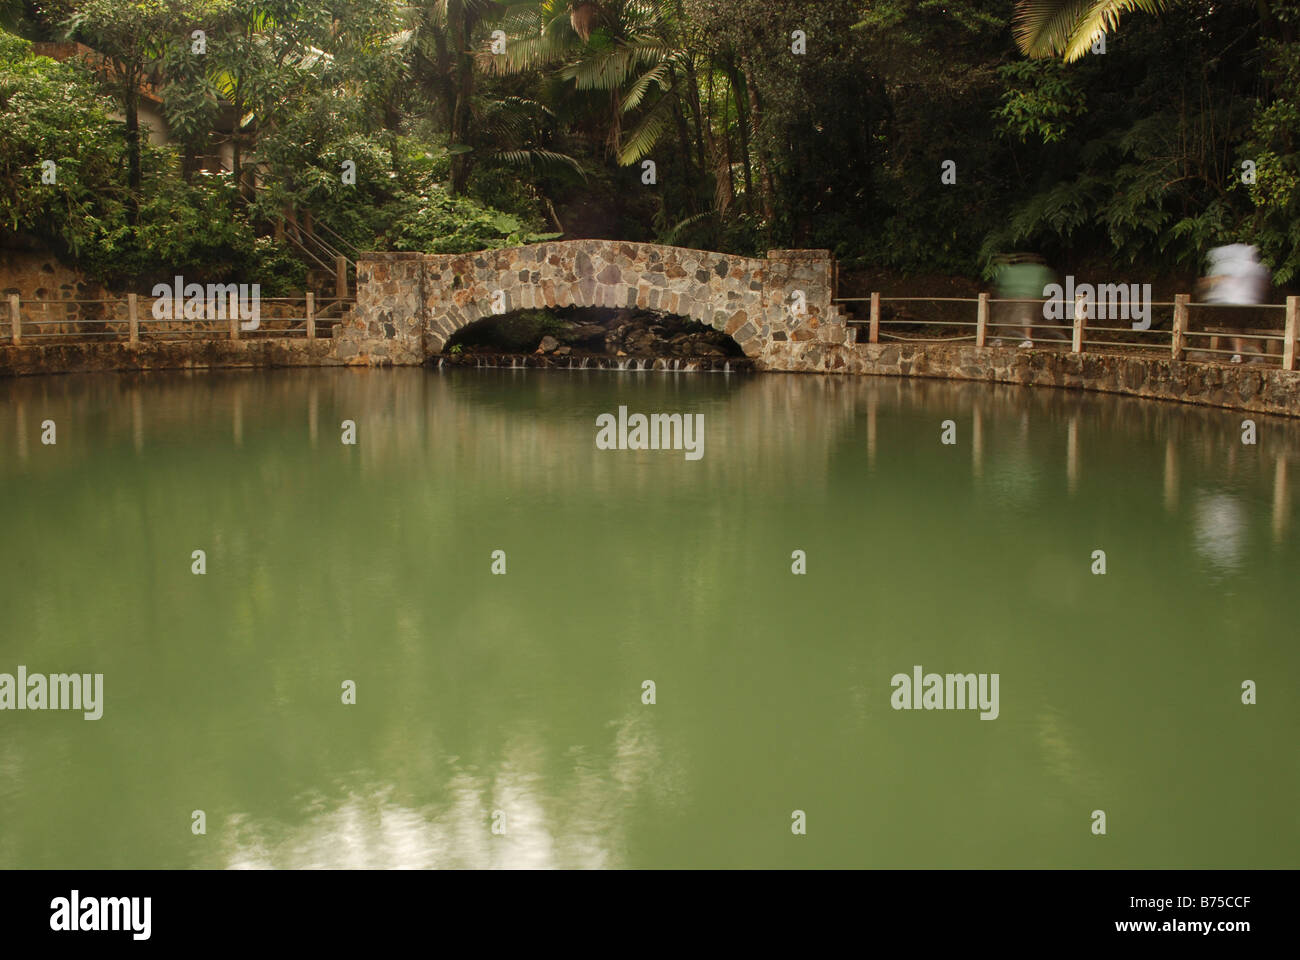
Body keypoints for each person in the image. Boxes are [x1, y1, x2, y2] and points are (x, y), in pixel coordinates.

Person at [1198, 244, 1271, 363]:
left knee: (1235, 329)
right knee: (1246, 329)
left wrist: (1204, 284)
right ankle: (1256, 354)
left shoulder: (1232, 266)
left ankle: (1238, 354)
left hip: (1234, 302)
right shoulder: (1255, 268)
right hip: (1252, 302)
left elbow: (1220, 278)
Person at [992, 254, 1058, 348]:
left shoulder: (1012, 270)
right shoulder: (1042, 270)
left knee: (1007, 317)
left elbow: (1004, 284)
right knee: (1023, 318)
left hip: (1015, 296)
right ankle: (1019, 338)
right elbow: (1046, 284)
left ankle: (1022, 339)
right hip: (1030, 296)